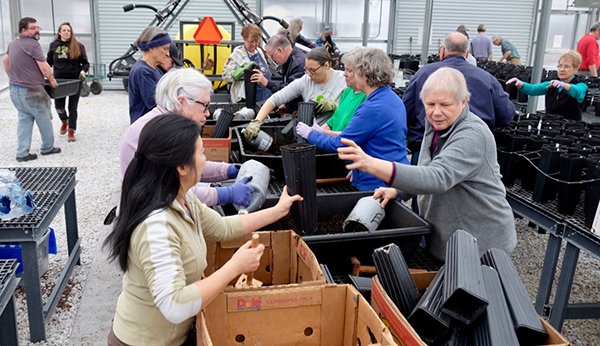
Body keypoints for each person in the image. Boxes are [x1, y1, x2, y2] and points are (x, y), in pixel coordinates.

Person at [105, 113, 302, 345]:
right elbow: (175, 305)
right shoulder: (156, 225)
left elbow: (223, 227)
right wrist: (235, 266)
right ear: (181, 167)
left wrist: (279, 210)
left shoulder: (183, 198)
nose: (205, 159)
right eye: (201, 152)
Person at [337, 67, 517, 262]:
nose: (436, 112)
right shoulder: (435, 126)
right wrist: (398, 190)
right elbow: (425, 168)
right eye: (430, 104)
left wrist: (372, 164)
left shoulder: (472, 134)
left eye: (445, 104)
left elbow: (437, 178)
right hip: (449, 238)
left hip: (480, 243)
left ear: (464, 101)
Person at [120, 68, 253, 208]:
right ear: (182, 101)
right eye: (205, 106)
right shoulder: (160, 134)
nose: (208, 113)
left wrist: (229, 170)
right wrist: (224, 194)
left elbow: (192, 165)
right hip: (146, 214)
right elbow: (172, 192)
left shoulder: (171, 125)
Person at [296, 48, 408, 191]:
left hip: (375, 186)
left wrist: (310, 134)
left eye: (355, 71)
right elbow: (377, 141)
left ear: (365, 75)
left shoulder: (373, 108)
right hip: (388, 177)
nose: (350, 75)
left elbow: (341, 143)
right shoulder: (392, 99)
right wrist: (358, 170)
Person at [403, 32, 514, 165]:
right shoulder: (486, 78)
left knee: (422, 184)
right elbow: (506, 114)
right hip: (472, 153)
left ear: (442, 51)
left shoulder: (423, 74)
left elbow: (406, 111)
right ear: (467, 53)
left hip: (426, 150)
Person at [244, 47, 346, 140]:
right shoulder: (305, 81)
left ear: (327, 65)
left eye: (313, 70)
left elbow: (356, 107)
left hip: (336, 135)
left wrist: (336, 105)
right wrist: (257, 121)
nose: (309, 74)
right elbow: (275, 99)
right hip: (310, 135)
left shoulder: (343, 80)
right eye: (307, 70)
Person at [3, 17, 61, 162]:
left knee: (24, 119)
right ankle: (48, 148)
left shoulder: (13, 43)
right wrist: (52, 80)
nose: (37, 30)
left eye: (38, 27)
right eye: (33, 28)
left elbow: (5, 61)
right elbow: (44, 67)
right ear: (23, 30)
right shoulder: (33, 44)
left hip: (15, 90)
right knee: (44, 119)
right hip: (32, 91)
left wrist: (12, 76)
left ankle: (22, 153)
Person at [506, 51, 587, 121]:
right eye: (560, 66)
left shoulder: (581, 85)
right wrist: (520, 84)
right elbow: (532, 89)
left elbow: (578, 91)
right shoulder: (552, 84)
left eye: (566, 67)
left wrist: (564, 85)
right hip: (550, 125)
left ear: (575, 69)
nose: (562, 69)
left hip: (569, 128)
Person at [47, 22, 90, 142]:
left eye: (68, 30)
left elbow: (85, 63)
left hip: (75, 80)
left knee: (73, 107)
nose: (66, 32)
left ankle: (71, 131)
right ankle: (64, 120)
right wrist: (46, 74)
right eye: (64, 30)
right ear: (59, 32)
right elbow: (48, 62)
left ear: (71, 33)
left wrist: (83, 71)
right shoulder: (53, 45)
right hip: (59, 80)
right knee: (58, 106)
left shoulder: (78, 46)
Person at [128, 26, 171, 123]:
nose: (168, 54)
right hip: (145, 128)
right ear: (151, 47)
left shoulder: (156, 70)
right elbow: (156, 104)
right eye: (165, 49)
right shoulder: (143, 71)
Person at [320, 48, 367, 134]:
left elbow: (351, 136)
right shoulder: (348, 91)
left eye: (349, 70)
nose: (344, 74)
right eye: (345, 69)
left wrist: (317, 133)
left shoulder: (366, 97)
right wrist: (316, 130)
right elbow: (333, 122)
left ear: (362, 72)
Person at [222, 24, 272, 103]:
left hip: (265, 94)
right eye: (251, 41)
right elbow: (225, 76)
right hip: (247, 98)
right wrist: (241, 71)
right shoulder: (237, 54)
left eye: (256, 41)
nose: (254, 44)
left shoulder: (259, 51)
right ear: (244, 39)